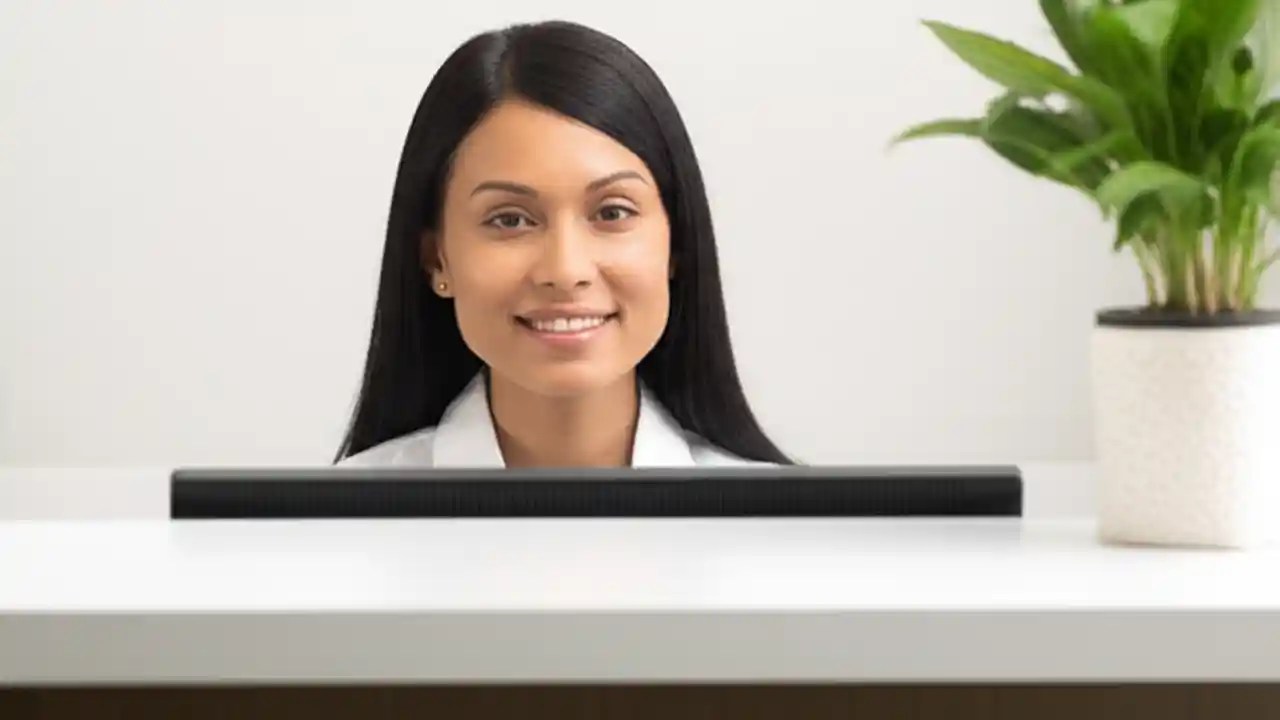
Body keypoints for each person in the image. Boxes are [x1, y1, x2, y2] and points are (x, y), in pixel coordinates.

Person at [335, 20, 789, 468]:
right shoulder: (338, 530)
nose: (566, 270)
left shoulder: (781, 531)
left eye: (612, 212)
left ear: (676, 246)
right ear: (438, 260)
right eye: (510, 219)